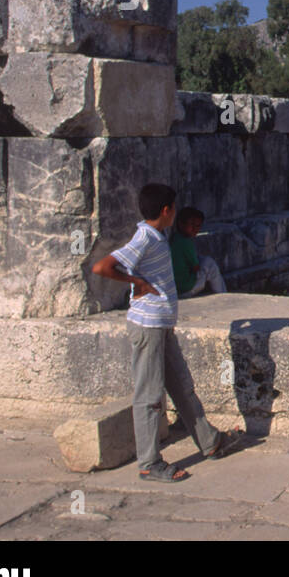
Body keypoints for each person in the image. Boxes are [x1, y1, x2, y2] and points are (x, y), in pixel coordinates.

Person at [91, 183, 240, 482]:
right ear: (165, 211)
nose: (175, 212)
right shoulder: (145, 236)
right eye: (173, 207)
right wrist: (137, 282)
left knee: (182, 386)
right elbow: (103, 267)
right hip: (148, 326)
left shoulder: (158, 236)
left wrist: (140, 281)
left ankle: (209, 441)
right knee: (150, 395)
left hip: (161, 324)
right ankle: (149, 463)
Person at [171, 206, 227, 299]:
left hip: (176, 289)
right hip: (187, 289)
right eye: (191, 224)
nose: (195, 229)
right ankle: (222, 296)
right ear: (181, 224)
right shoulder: (186, 242)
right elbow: (196, 267)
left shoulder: (175, 238)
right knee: (209, 263)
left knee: (201, 259)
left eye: (197, 226)